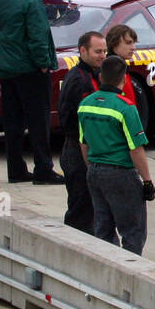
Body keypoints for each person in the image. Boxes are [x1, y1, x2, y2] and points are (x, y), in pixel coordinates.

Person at [0, 0, 62, 185]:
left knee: (12, 121)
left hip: (7, 67)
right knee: (38, 120)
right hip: (30, 68)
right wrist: (43, 63)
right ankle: (43, 168)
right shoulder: (31, 1)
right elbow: (37, 36)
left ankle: (15, 169)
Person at [78, 55, 154, 256]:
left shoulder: (85, 104)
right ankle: (130, 274)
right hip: (121, 174)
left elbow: (83, 143)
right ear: (123, 79)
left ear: (101, 76)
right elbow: (136, 149)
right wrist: (147, 181)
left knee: (103, 228)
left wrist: (92, 169)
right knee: (132, 231)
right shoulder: (125, 108)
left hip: (94, 171)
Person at [57, 30, 107, 235]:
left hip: (84, 148)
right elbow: (82, 124)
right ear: (83, 51)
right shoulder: (79, 80)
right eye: (98, 51)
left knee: (92, 209)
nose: (103, 55)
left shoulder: (93, 75)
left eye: (105, 51)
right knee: (81, 209)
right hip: (77, 150)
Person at [106, 23, 140, 105]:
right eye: (128, 43)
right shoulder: (110, 72)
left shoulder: (121, 68)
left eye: (133, 43)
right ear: (114, 43)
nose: (133, 47)